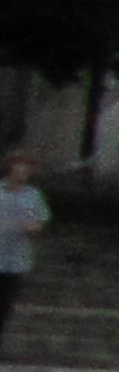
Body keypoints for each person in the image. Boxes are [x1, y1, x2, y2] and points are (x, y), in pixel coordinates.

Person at [0, 152, 43, 359]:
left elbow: (40, 220)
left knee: (5, 304)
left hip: (16, 259)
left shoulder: (33, 195)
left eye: (28, 168)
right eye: (20, 166)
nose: (23, 171)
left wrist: (33, 226)